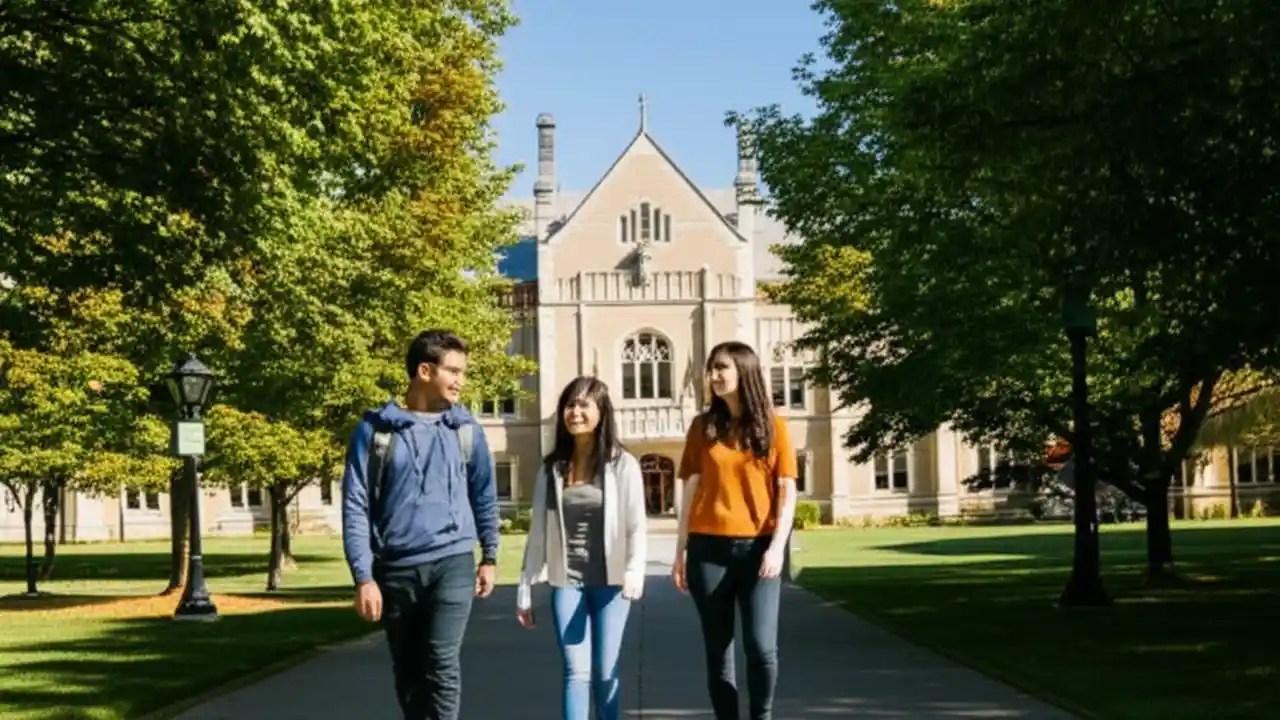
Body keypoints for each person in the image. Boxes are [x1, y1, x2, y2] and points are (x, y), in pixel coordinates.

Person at [341, 329, 500, 720]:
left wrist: (490, 554)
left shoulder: (466, 430)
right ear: (425, 370)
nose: (461, 380)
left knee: (441, 661)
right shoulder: (375, 431)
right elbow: (356, 505)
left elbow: (484, 495)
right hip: (395, 569)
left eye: (464, 372)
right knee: (409, 670)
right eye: (454, 371)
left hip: (453, 562)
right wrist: (363, 577)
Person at [672, 341, 799, 720]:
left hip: (760, 552)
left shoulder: (774, 427)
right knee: (718, 650)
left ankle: (762, 715)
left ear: (744, 371)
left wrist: (777, 547)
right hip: (708, 551)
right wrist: (680, 550)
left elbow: (787, 489)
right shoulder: (702, 427)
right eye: (711, 369)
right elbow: (690, 488)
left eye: (722, 367)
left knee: (761, 648)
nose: (714, 376)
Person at [517, 376, 648, 720]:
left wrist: (635, 571)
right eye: (569, 405)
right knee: (576, 672)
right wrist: (525, 586)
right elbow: (538, 533)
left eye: (583, 405)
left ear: (602, 412)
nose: (574, 412)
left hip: (612, 583)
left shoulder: (623, 464)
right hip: (567, 583)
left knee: (606, 673)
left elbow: (636, 524)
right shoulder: (552, 469)